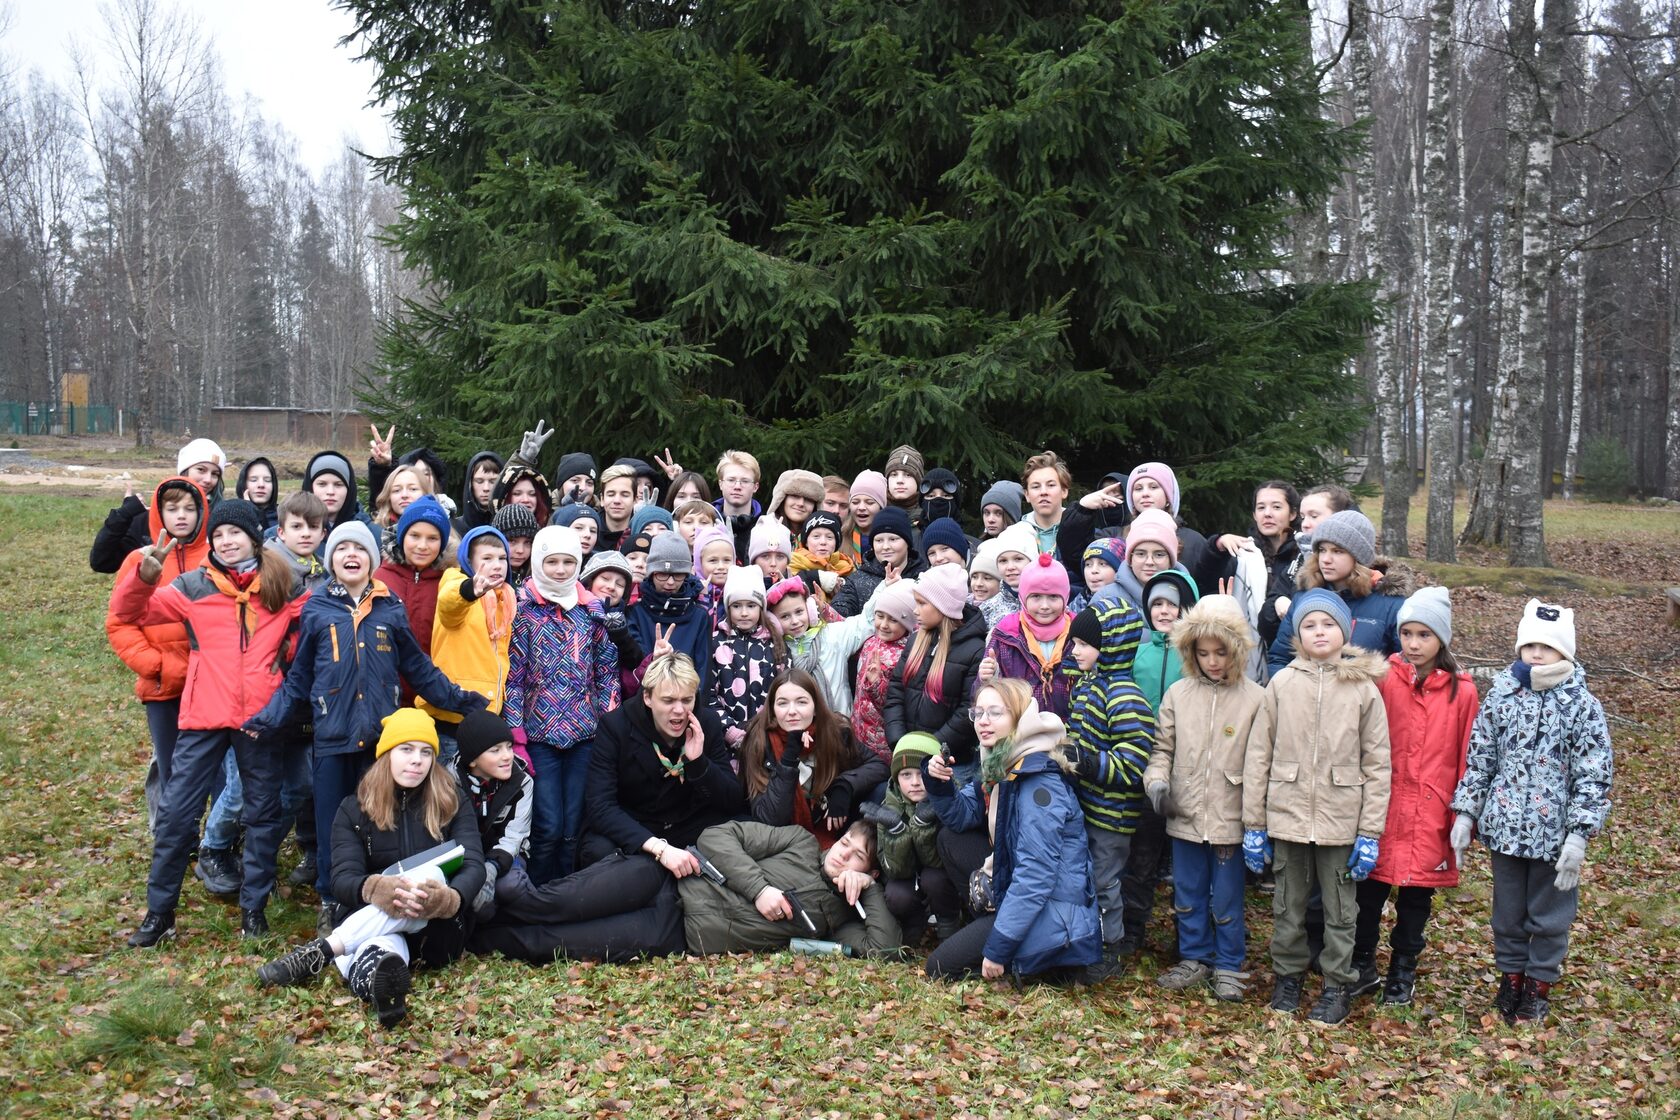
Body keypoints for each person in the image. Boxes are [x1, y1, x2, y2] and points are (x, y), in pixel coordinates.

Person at [244, 518, 485, 926]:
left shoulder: (390, 610)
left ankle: (383, 897)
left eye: (359, 549)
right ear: (331, 558)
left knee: (378, 819)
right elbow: (299, 678)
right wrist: (269, 719)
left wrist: (465, 703)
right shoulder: (317, 610)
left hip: (379, 742)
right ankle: (331, 899)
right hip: (333, 739)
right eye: (341, 549)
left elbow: (419, 669)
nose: (350, 555)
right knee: (330, 821)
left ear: (372, 559)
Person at [113, 500, 310, 946]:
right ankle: (159, 914)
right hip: (203, 715)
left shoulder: (282, 583)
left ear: (254, 538)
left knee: (262, 813)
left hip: (259, 717)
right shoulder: (191, 586)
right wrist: (142, 578)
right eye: (218, 534)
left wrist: (284, 661)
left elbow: (310, 624)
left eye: (235, 533)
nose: (226, 540)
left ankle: (254, 909)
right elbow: (132, 614)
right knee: (177, 813)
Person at [255, 708, 485, 1029]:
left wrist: (448, 899)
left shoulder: (452, 800)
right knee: (379, 952)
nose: (416, 760)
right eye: (406, 750)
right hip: (372, 925)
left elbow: (474, 864)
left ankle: (321, 951)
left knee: (427, 879)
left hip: (435, 930)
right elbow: (342, 878)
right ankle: (383, 985)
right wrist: (378, 890)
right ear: (387, 755)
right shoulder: (354, 809)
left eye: (425, 752)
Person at [1450, 600, 1612, 1025]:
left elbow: (1592, 774)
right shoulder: (1502, 697)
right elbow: (1481, 758)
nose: (1537, 654)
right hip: (1504, 829)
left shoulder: (1582, 706)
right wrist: (1467, 813)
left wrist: (1579, 834)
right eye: (1530, 645)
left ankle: (1539, 985)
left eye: (1548, 647)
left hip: (1553, 836)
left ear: (1566, 653)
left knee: (1549, 914)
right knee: (1507, 913)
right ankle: (1512, 979)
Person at [1243, 589, 1392, 1025]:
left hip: (1341, 820)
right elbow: (1259, 756)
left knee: (1341, 910)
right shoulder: (1283, 684)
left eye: (1328, 624)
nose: (1319, 632)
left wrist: (1369, 832)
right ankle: (1287, 979)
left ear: (1345, 631)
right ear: (1298, 634)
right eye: (1310, 625)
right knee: (1287, 906)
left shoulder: (1363, 690)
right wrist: (1255, 823)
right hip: (1287, 817)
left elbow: (1378, 763)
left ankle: (1337, 984)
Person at [924, 680, 1100, 982]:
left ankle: (1034, 959)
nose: (983, 721)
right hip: (1016, 888)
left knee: (938, 969)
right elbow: (962, 816)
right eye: (978, 713)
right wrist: (939, 784)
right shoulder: (1001, 762)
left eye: (995, 712)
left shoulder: (1037, 780)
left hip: (1051, 911)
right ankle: (992, 926)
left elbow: (1036, 876)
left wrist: (998, 949)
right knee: (951, 839)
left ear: (1019, 718)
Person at [1353, 587, 1478, 1006]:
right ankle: (1363, 965)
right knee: (1367, 894)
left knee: (1415, 901)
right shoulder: (1385, 677)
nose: (1413, 643)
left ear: (1441, 638)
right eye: (1406, 633)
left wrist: (1464, 814)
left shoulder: (1462, 691)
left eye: (1424, 634)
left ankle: (1402, 974)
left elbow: (1466, 755)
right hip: (1384, 807)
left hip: (1432, 812)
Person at [1142, 595, 1266, 1002]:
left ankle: (1229, 964)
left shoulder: (1256, 699)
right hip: (1186, 812)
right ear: (1191, 651)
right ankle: (1193, 956)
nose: (1213, 661)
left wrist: (1257, 822)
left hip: (1232, 816)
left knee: (1227, 895)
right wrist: (1158, 782)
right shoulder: (1179, 694)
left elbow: (1263, 760)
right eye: (1203, 652)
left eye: (1221, 652)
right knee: (1189, 891)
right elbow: (1162, 749)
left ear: (1237, 650)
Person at [505, 526, 621, 882]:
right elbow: (514, 675)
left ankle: (565, 892)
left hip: (584, 735)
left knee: (573, 822)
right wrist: (516, 731)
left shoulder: (591, 611)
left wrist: (609, 721)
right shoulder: (523, 611)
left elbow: (606, 670)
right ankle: (537, 891)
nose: (559, 569)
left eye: (567, 562)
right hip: (539, 736)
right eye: (551, 561)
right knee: (548, 822)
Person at [1060, 599, 1156, 979]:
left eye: (1084, 644)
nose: (1075, 650)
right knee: (1083, 877)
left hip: (1113, 815)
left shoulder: (1125, 696)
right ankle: (1082, 943)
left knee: (1104, 881)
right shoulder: (1086, 688)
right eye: (1075, 643)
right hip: (1086, 805)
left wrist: (1084, 760)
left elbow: (1133, 763)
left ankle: (1109, 948)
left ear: (1111, 645)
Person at [580, 653, 747, 869]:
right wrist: (659, 848)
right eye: (668, 700)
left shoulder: (706, 722)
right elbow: (600, 806)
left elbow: (732, 801)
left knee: (747, 825)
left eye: (687, 700)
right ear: (648, 698)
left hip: (687, 822)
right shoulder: (615, 726)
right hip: (637, 825)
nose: (679, 710)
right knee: (598, 851)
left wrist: (699, 764)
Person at [681, 819, 901, 955]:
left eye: (857, 855)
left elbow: (884, 948)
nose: (843, 854)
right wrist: (759, 890)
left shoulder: (841, 917)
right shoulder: (801, 842)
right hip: (678, 884)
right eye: (844, 842)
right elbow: (715, 836)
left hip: (682, 935)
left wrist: (870, 888)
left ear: (871, 872)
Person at [738, 670, 886, 847]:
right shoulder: (758, 742)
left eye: (801, 702)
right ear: (772, 709)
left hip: (832, 824)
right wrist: (789, 757)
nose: (792, 711)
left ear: (815, 707)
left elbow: (880, 766)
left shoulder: (835, 731)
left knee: (882, 790)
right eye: (782, 703)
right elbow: (770, 820)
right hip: (782, 840)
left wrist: (845, 786)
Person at [1267, 509, 1414, 676]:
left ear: (1358, 557)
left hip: (1366, 699)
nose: (1326, 559)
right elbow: (1279, 658)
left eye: (1337, 551)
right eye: (1322, 550)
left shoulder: (1390, 604)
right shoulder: (1305, 597)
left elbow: (1406, 669)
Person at [884, 565, 988, 782]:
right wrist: (898, 741)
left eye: (922, 603)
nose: (915, 610)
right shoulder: (915, 640)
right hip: (906, 754)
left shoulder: (975, 650)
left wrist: (929, 748)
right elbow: (895, 691)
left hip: (947, 763)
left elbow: (967, 711)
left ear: (944, 607)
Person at [426, 526, 518, 767]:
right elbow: (450, 603)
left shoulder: (504, 598)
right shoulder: (457, 582)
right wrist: (470, 591)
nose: (497, 565)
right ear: (468, 561)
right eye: (486, 559)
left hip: (486, 715)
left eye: (502, 558)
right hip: (453, 716)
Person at [866, 733, 960, 944]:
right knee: (897, 893)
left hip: (941, 881)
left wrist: (922, 825)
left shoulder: (950, 799)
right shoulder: (888, 807)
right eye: (906, 775)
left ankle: (949, 925)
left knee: (933, 879)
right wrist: (898, 830)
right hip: (907, 877)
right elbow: (896, 870)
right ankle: (914, 925)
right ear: (896, 778)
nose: (916, 783)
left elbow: (937, 862)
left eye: (922, 774)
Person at [91, 437, 227, 573]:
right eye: (201, 470)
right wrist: (123, 515)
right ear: (185, 471)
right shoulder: (147, 520)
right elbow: (102, 562)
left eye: (215, 474)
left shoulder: (220, 518)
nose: (208, 479)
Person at [451, 707, 533, 916]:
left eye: (508, 746)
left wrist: (491, 868)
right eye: (495, 750)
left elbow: (515, 836)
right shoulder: (448, 783)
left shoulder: (521, 782)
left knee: (510, 886)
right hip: (464, 858)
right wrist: (474, 871)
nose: (507, 756)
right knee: (477, 904)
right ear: (472, 760)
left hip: (505, 855)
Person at [980, 552, 1078, 718]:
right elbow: (982, 698)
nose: (1044, 606)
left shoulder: (1079, 634)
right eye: (1036, 597)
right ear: (1023, 598)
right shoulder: (1005, 635)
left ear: (1066, 597)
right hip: (1018, 732)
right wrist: (987, 679)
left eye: (1054, 597)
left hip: (1070, 732)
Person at [706, 565, 784, 750]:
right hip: (726, 741)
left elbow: (784, 689)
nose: (743, 612)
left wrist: (765, 728)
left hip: (768, 738)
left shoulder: (774, 643)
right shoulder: (716, 643)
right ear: (728, 607)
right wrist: (729, 730)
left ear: (761, 607)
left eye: (751, 605)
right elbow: (708, 694)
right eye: (736, 606)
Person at [373, 495, 455, 660]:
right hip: (388, 679)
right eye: (415, 536)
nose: (422, 546)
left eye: (432, 538)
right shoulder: (380, 578)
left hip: (435, 680)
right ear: (402, 536)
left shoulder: (450, 581)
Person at [849, 581, 918, 766]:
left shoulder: (904, 656)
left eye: (894, 620)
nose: (884, 625)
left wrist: (876, 683)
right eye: (880, 616)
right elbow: (846, 632)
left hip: (881, 740)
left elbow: (893, 702)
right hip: (858, 729)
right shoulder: (871, 641)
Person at [628, 533, 714, 671]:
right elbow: (633, 671)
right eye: (662, 574)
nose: (670, 582)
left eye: (678, 575)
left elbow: (703, 671)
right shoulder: (635, 613)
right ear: (651, 574)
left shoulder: (700, 616)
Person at [831, 506, 923, 618]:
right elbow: (837, 616)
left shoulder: (924, 578)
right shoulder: (857, 581)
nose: (885, 547)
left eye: (893, 539)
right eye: (879, 540)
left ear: (907, 543)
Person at [302, 451, 379, 546]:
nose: (330, 491)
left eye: (338, 484)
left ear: (349, 490)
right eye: (322, 484)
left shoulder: (372, 533)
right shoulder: (290, 533)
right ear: (310, 487)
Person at [714, 450, 763, 561]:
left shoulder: (765, 528)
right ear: (720, 484)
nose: (737, 486)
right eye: (731, 480)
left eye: (745, 481)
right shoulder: (706, 523)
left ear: (755, 487)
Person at [840, 470, 887, 566]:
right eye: (855, 502)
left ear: (881, 507)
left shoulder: (890, 540)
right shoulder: (840, 538)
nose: (861, 507)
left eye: (869, 502)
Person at [453, 451, 505, 535]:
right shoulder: (455, 530)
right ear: (470, 484)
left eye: (493, 481)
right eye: (479, 481)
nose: (486, 488)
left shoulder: (510, 526)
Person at [491, 503, 539, 588]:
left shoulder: (540, 578)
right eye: (512, 541)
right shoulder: (485, 581)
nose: (520, 550)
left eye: (527, 542)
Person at [768, 468, 825, 539]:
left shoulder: (824, 540)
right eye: (795, 496)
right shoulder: (763, 532)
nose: (801, 503)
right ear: (782, 499)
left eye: (808, 499)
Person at [236, 456, 280, 530]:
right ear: (243, 484)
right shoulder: (233, 516)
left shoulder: (284, 517)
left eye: (267, 480)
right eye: (253, 480)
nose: (261, 485)